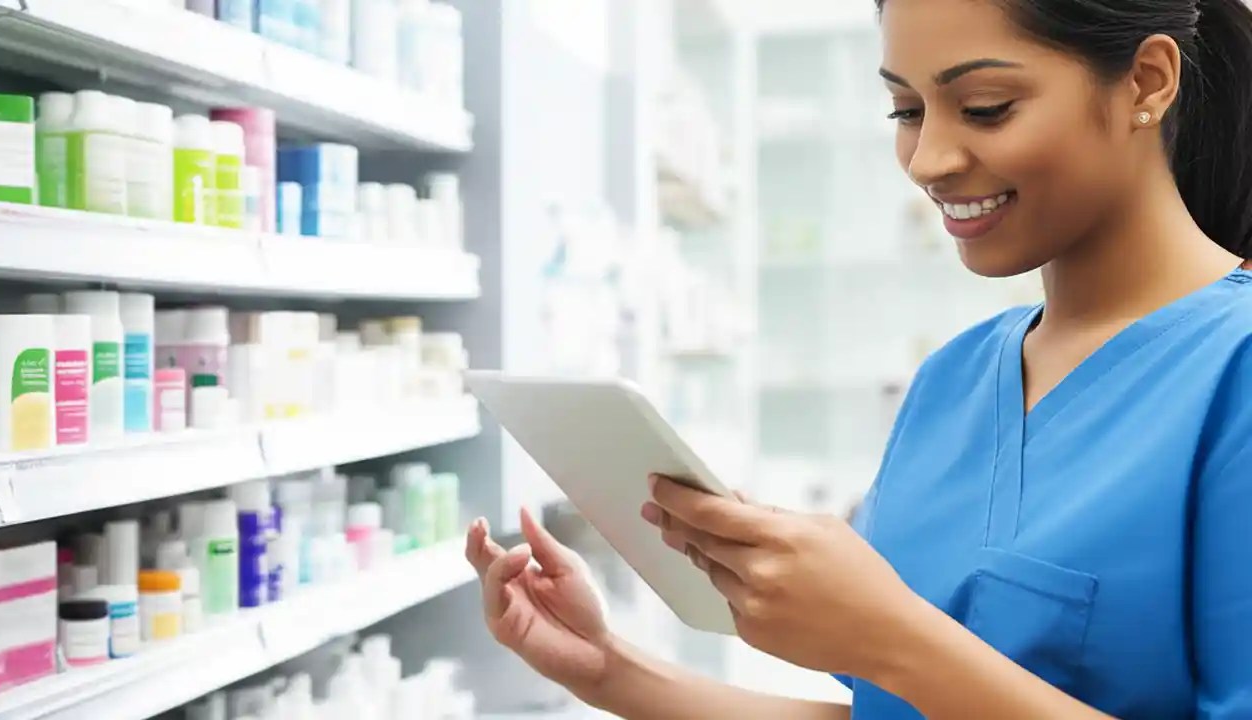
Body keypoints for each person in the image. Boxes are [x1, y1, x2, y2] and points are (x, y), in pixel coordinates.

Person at [465, 0, 1252, 716]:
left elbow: (902, 659)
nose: (928, 158)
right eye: (906, 110)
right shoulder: (955, 379)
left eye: (985, 108)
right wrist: (609, 670)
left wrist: (889, 637)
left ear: (1147, 82)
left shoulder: (1233, 373)